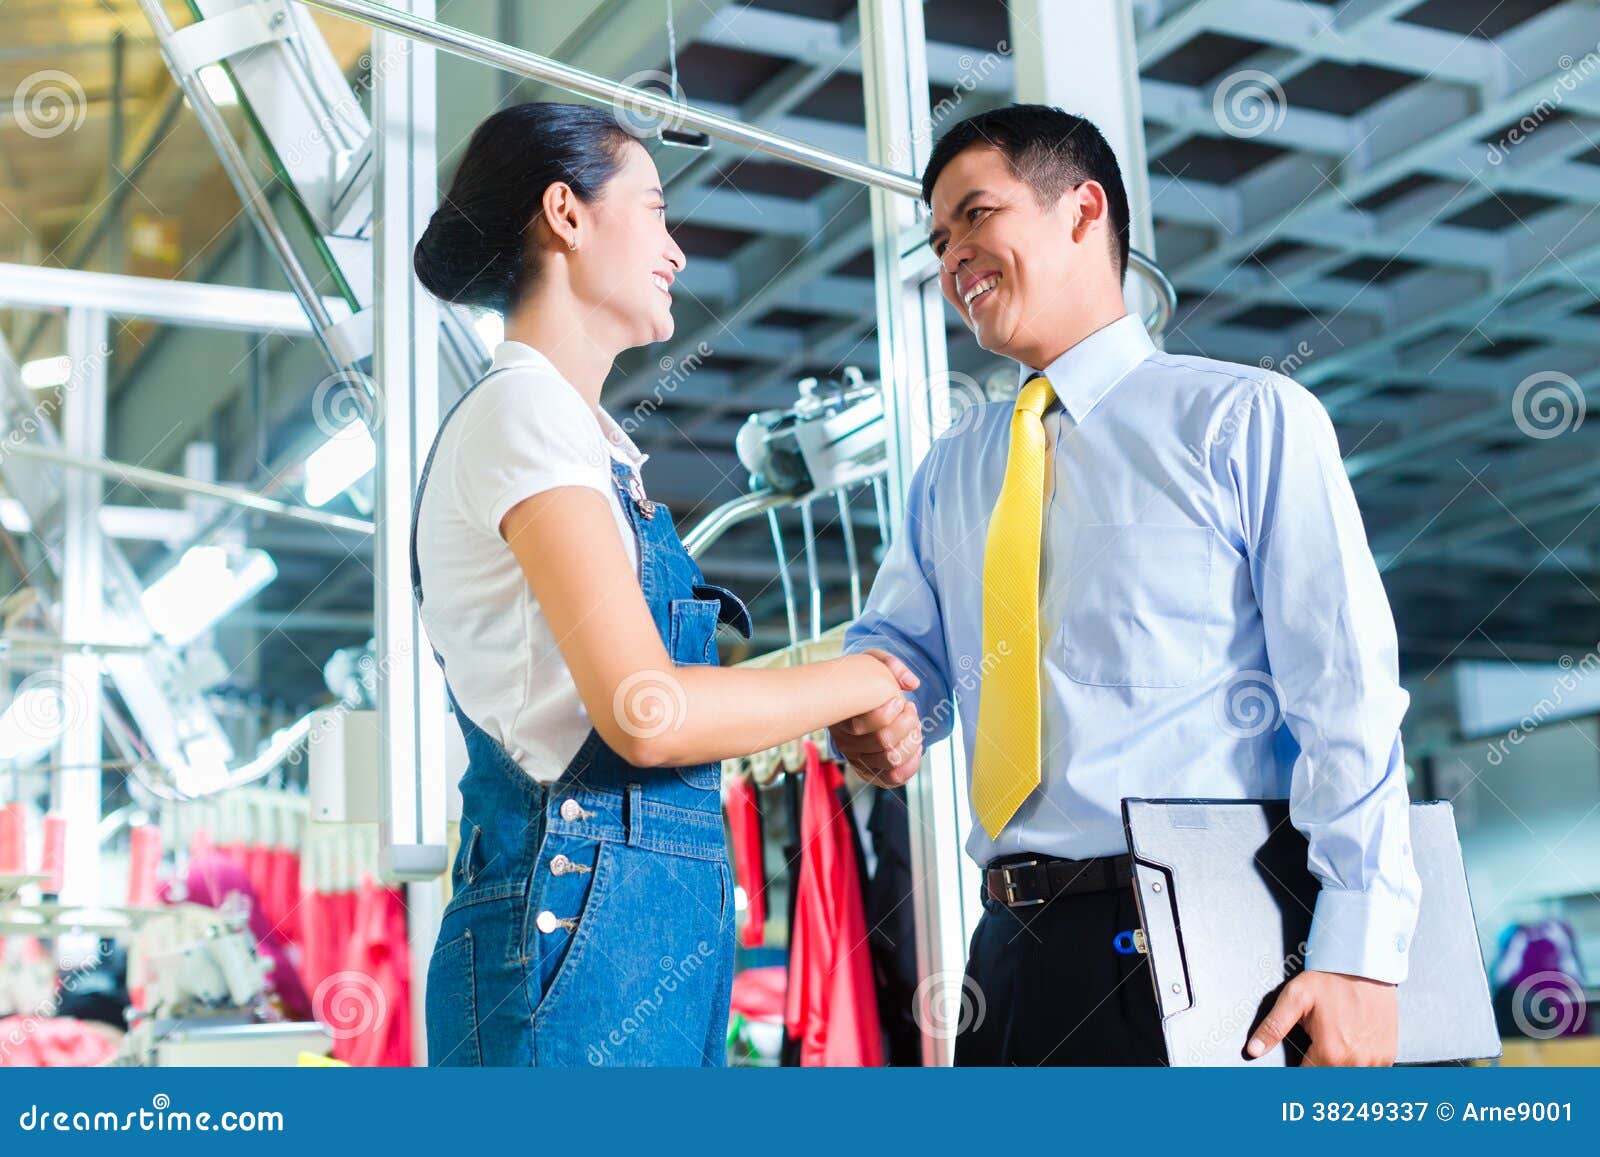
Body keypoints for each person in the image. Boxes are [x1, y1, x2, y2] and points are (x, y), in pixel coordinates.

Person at [829, 104, 1421, 1067]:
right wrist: (874, 714)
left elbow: (1344, 695)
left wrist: (1361, 951)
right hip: (1008, 951)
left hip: (1212, 939)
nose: (953, 256)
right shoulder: (952, 470)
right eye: (938, 241)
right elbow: (901, 663)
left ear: (1083, 209)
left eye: (976, 215)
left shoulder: (1244, 419)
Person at [410, 102, 917, 1067]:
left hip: (622, 937)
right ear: (566, 212)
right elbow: (648, 712)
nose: (677, 251)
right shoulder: (524, 411)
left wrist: (837, 695)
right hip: (569, 932)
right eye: (654, 209)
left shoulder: (587, 442)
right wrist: (862, 678)